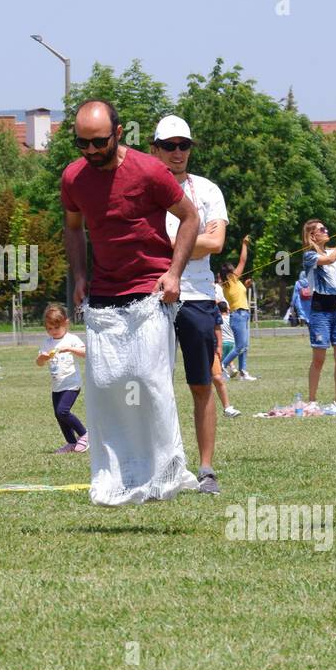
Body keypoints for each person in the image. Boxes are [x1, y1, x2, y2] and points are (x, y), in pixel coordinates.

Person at [61, 100, 202, 502]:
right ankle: (119, 474)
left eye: (99, 142)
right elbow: (73, 227)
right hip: (103, 290)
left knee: (147, 381)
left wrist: (174, 273)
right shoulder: (73, 177)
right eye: (81, 143)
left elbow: (190, 217)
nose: (90, 151)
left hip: (150, 289)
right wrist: (80, 275)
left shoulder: (150, 170)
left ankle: (166, 471)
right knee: (106, 384)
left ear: (118, 134)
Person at [149, 115, 228, 488]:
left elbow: (215, 244)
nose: (178, 152)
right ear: (155, 149)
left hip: (197, 298)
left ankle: (206, 468)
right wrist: (188, 246)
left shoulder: (209, 191)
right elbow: (140, 245)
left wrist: (168, 247)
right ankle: (159, 465)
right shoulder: (145, 190)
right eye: (170, 145)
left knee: (201, 384)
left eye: (184, 145)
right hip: (152, 298)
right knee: (152, 385)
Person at [301, 218, 336, 413]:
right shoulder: (309, 256)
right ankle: (312, 400)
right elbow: (330, 260)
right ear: (313, 235)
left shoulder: (333, 251)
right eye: (322, 229)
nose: (326, 230)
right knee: (319, 359)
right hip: (320, 310)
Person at [36, 303, 88, 453]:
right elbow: (39, 363)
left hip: (71, 383)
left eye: (56, 328)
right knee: (58, 415)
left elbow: (85, 353)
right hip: (57, 385)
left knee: (62, 411)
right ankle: (71, 442)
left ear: (66, 323)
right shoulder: (47, 343)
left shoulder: (71, 339)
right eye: (49, 329)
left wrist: (70, 348)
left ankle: (84, 434)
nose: (53, 332)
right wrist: (42, 358)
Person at [219, 237, 255, 379]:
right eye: (233, 269)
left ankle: (243, 372)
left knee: (244, 346)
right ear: (229, 273)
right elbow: (243, 261)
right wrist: (244, 244)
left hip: (244, 314)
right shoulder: (230, 281)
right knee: (240, 346)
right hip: (238, 315)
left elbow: (237, 294)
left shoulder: (234, 283)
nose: (235, 270)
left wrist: (245, 285)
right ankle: (223, 364)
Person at [214, 302, 240, 417]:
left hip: (223, 342)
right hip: (231, 342)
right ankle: (233, 367)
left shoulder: (219, 318)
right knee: (229, 356)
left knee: (220, 360)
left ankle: (225, 371)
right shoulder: (230, 318)